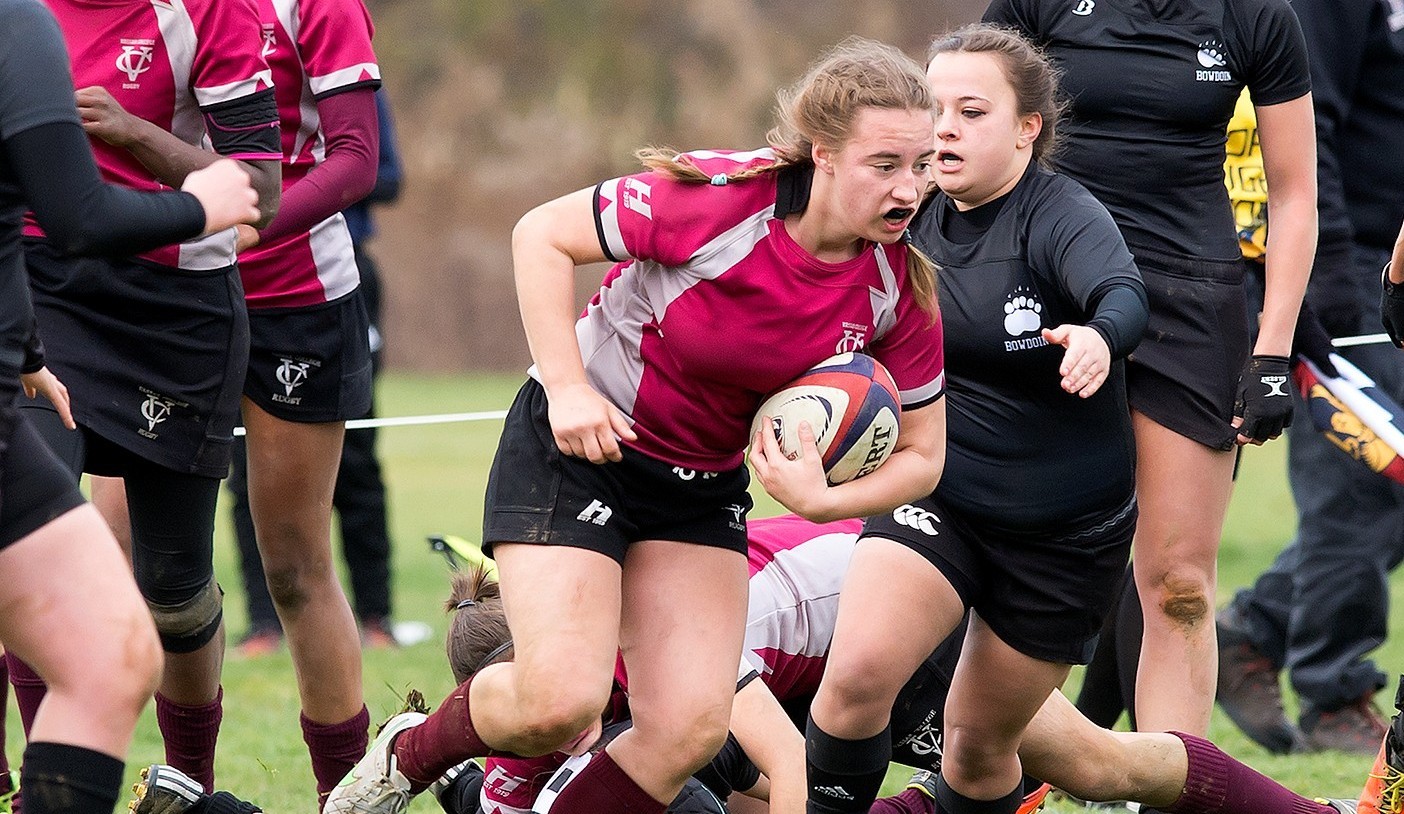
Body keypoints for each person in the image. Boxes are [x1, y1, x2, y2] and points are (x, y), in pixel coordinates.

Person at [327, 36, 949, 814]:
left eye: (924, 165)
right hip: (580, 453)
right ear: (821, 155)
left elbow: (925, 455)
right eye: (886, 165)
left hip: (698, 490)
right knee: (559, 702)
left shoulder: (899, 284)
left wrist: (820, 500)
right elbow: (541, 236)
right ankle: (410, 749)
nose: (911, 187)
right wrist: (567, 387)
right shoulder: (722, 203)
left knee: (688, 730)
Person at [430, 515, 1358, 814]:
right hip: (806, 676)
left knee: (1096, 764)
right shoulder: (537, 697)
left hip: (904, 628)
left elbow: (788, 770)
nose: (559, 722)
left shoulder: (662, 630)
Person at [804, 25, 1146, 814]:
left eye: (971, 110)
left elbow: (1122, 292)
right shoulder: (906, 213)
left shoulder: (1060, 214)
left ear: (1028, 127)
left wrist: (1097, 335)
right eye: (934, 109)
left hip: (1065, 534)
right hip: (940, 494)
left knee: (979, 744)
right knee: (856, 678)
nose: (946, 127)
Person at [983, 0, 1318, 736]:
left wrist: (1272, 347)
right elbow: (969, 118)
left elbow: (1295, 194)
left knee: (1178, 586)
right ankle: (992, 772)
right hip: (1049, 286)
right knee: (1014, 563)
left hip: (1191, 301)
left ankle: (1176, 787)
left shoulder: (1257, 16)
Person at [7, 0, 281, 797]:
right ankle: (42, 781)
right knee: (35, 542)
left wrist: (129, 131)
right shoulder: (19, 17)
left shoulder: (214, 11)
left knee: (176, 589)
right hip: (43, 286)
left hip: (178, 306)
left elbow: (257, 190)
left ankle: (184, 788)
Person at [1217, 0, 1404, 755]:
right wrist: (1321, 273)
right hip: (1356, 258)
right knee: (1366, 475)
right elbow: (1299, 118)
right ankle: (1333, 691)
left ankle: (1255, 630)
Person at [230, 87, 405, 657]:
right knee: (241, 461)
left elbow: (385, 174)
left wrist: (297, 175)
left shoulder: (345, 82)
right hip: (237, 274)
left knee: (356, 454)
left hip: (336, 278)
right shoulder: (222, 77)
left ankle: (376, 614)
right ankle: (263, 623)